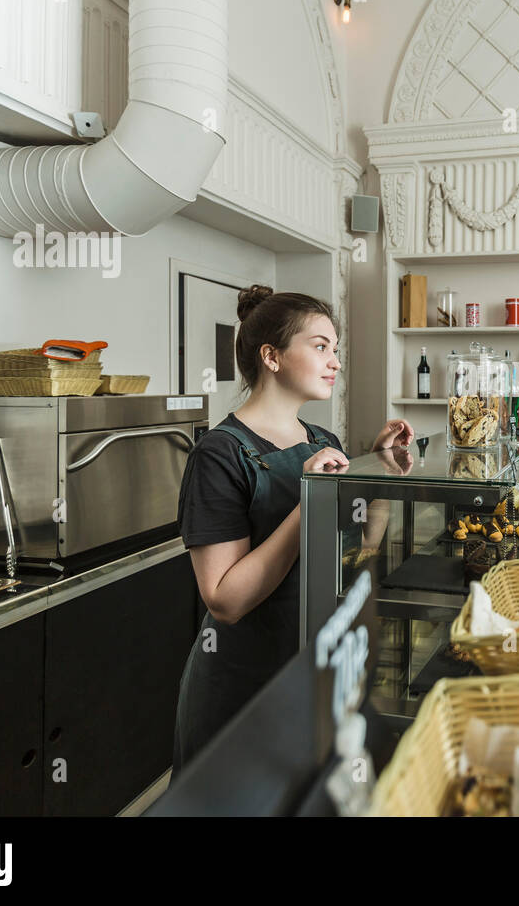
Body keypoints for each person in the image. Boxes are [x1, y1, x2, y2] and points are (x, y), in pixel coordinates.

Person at [171, 285, 413, 774]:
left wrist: (381, 472)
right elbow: (225, 599)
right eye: (320, 347)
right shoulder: (219, 453)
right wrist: (310, 502)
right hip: (244, 684)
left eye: (336, 350)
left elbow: (359, 549)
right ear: (272, 356)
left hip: (311, 667)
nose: (335, 362)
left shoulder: (323, 441)